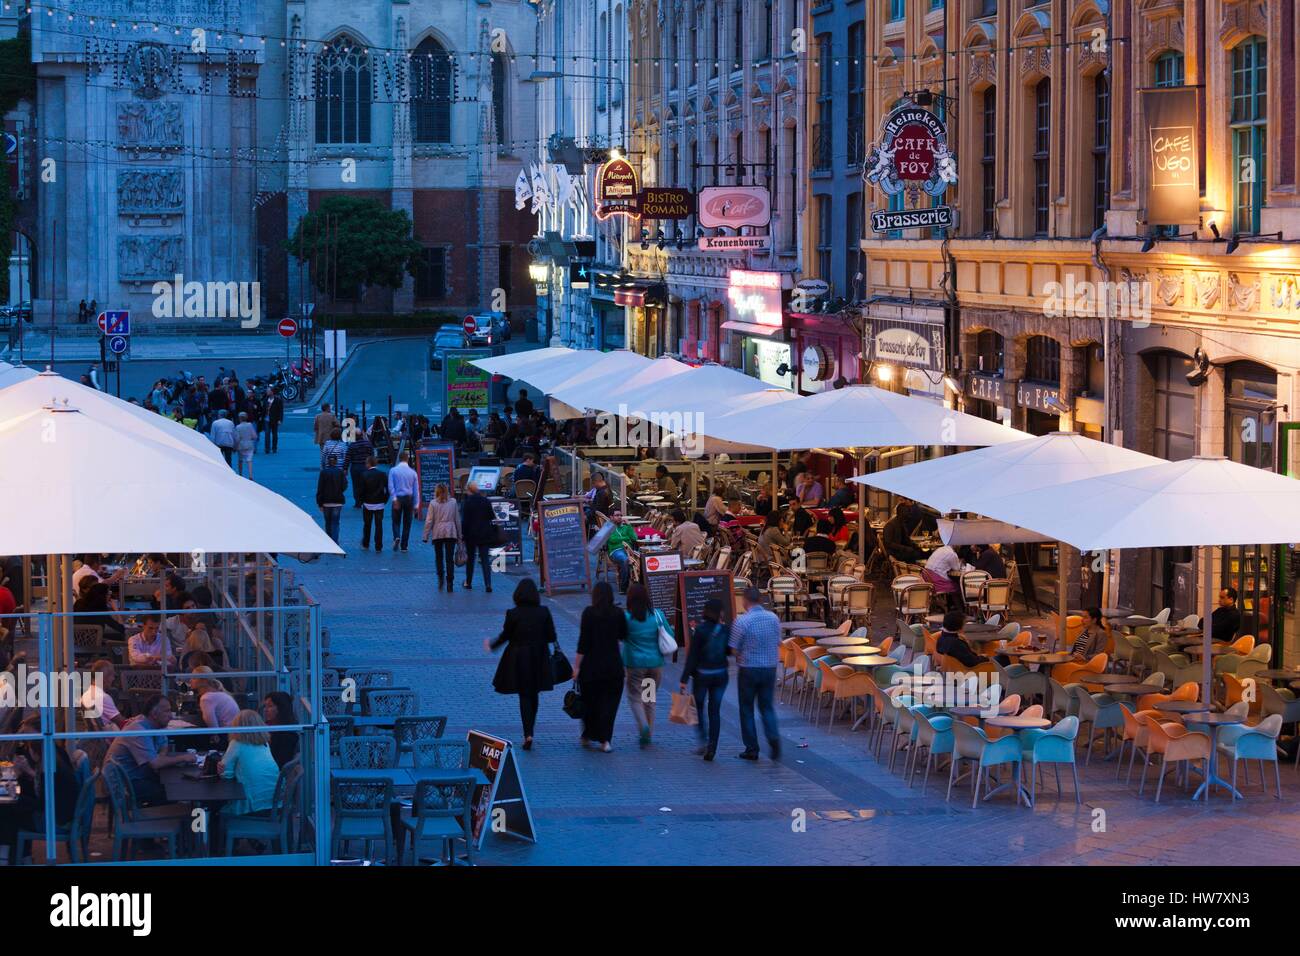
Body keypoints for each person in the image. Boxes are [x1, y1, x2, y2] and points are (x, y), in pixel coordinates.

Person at [485, 578, 557, 750]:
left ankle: (528, 733)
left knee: (524, 695)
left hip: (519, 658)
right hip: (540, 657)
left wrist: (492, 644)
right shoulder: (544, 612)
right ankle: (531, 729)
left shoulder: (513, 613)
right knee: (534, 693)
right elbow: (551, 637)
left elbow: (506, 635)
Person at [0, 716, 78, 864]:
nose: (26, 744)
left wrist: (14, 790)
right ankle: (22, 857)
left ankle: (7, 857)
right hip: (62, 813)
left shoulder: (49, 762)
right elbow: (45, 792)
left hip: (55, 821)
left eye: (29, 739)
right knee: (11, 804)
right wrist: (28, 773)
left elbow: (41, 802)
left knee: (8, 810)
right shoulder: (55, 753)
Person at [104, 695, 196, 805]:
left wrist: (161, 757)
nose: (171, 716)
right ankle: (171, 819)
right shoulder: (138, 730)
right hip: (123, 786)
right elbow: (155, 764)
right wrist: (183, 757)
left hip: (134, 777)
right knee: (174, 792)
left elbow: (164, 744)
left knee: (175, 786)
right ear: (154, 714)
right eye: (167, 711)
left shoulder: (155, 725)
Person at [729, 587, 782, 761]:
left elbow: (734, 648)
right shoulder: (773, 618)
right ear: (760, 600)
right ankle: (773, 737)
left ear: (745, 601)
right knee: (767, 706)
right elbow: (779, 642)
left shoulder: (742, 621)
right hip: (769, 667)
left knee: (746, 709)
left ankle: (752, 748)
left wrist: (742, 655)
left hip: (749, 669)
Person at [574, 581, 626, 752]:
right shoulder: (618, 613)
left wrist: (576, 667)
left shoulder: (588, 613)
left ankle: (588, 734)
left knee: (590, 703)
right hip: (613, 666)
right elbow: (624, 635)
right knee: (610, 705)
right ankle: (606, 740)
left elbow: (583, 643)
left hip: (590, 667)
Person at [679, 597, 730, 761]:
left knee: (698, 708)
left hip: (702, 676)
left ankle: (703, 739)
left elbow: (692, 656)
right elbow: (728, 651)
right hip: (721, 674)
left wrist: (684, 678)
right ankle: (712, 746)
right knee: (714, 710)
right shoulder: (724, 630)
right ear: (720, 612)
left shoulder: (700, 630)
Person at [621, 583, 665, 748]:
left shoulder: (627, 618)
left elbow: (622, 636)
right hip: (655, 664)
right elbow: (670, 634)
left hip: (635, 664)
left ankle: (643, 727)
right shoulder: (657, 615)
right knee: (649, 698)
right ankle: (649, 733)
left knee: (634, 698)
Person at [218, 710, 282, 819]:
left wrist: (220, 768)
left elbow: (226, 774)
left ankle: (219, 835)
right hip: (275, 804)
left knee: (217, 811)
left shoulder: (237, 744)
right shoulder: (264, 744)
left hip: (251, 807)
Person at [422, 482, 462, 591]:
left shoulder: (433, 503)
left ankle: (440, 578)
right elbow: (457, 520)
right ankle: (450, 582)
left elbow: (429, 521)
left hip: (438, 532)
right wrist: (459, 535)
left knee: (439, 558)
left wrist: (425, 535)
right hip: (451, 532)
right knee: (449, 559)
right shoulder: (453, 502)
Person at [461, 481, 497, 591]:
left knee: (470, 559)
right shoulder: (485, 501)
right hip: (484, 533)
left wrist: (463, 535)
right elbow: (492, 516)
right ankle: (488, 584)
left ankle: (468, 582)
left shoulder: (467, 502)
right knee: (485, 559)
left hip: (471, 535)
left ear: (469, 490)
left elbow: (464, 521)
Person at [385, 450, 418, 552]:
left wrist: (394, 499)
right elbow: (416, 490)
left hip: (398, 498)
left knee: (396, 520)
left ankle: (396, 536)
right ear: (407, 459)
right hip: (409, 498)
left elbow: (391, 486)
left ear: (399, 459)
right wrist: (416, 504)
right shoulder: (413, 472)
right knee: (407, 522)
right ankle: (404, 546)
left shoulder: (393, 470)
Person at [80, 659, 126, 729]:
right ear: (104, 678)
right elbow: (122, 723)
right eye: (112, 676)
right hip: (111, 737)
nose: (113, 679)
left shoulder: (85, 695)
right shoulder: (104, 697)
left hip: (99, 736)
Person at [603, 510, 638, 594]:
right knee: (625, 559)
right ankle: (623, 588)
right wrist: (626, 538)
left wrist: (629, 525)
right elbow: (612, 540)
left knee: (642, 558)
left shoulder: (626, 527)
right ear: (611, 517)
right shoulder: (608, 527)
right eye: (617, 515)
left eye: (620, 515)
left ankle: (639, 584)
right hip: (616, 551)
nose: (619, 517)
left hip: (629, 550)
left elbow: (634, 538)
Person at [262, 691, 300, 768]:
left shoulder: (287, 735)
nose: (265, 710)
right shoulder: (267, 726)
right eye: (265, 706)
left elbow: (280, 762)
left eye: (270, 706)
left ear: (281, 708)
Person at [316, 453, 347, 546]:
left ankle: (329, 541)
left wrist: (319, 503)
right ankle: (335, 542)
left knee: (328, 522)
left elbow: (320, 488)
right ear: (336, 462)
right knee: (335, 523)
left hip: (326, 501)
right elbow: (344, 486)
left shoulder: (324, 472)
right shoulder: (340, 472)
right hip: (337, 501)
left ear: (328, 462)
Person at [359, 456, 389, 552]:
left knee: (367, 524)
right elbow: (388, 489)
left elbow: (361, 490)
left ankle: (366, 543)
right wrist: (385, 500)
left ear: (368, 464)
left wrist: (362, 500)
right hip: (379, 503)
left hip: (367, 503)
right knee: (378, 525)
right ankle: (378, 546)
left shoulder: (364, 475)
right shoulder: (382, 474)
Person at [345, 428, 375, 507]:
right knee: (367, 484)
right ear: (362, 435)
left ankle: (358, 501)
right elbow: (372, 456)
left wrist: (345, 469)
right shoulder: (368, 444)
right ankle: (366, 500)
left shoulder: (352, 445)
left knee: (356, 485)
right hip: (366, 466)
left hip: (355, 467)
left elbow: (347, 458)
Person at [233, 411, 258, 479]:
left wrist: (235, 447)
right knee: (249, 460)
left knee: (240, 460)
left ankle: (240, 474)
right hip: (249, 444)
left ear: (239, 418)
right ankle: (250, 475)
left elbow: (237, 438)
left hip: (241, 445)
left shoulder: (238, 427)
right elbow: (255, 436)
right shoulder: (250, 425)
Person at [263, 386, 283, 453]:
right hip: (266, 419)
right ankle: (267, 448)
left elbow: (280, 411)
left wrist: (280, 419)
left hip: (274, 419)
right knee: (267, 434)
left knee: (274, 434)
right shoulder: (265, 399)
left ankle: (274, 448)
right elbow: (263, 409)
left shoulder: (278, 400)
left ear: (272, 392)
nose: (267, 392)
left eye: (268, 391)